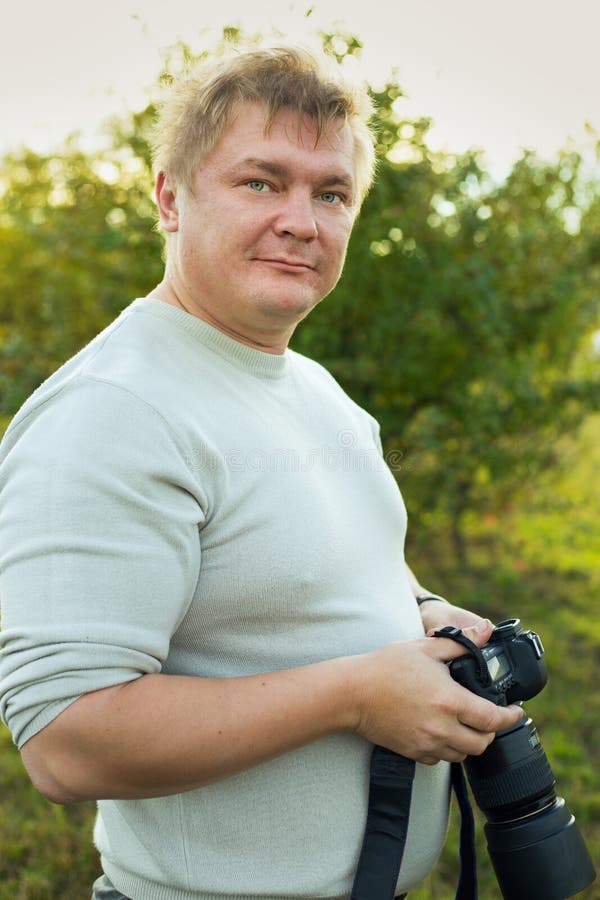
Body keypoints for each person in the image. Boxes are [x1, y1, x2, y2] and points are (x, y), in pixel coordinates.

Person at [0, 44, 522, 900]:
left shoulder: (310, 385)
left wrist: (424, 614)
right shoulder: (112, 411)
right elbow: (65, 742)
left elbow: (303, 576)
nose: (301, 221)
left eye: (331, 193)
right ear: (170, 196)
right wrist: (356, 695)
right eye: (260, 182)